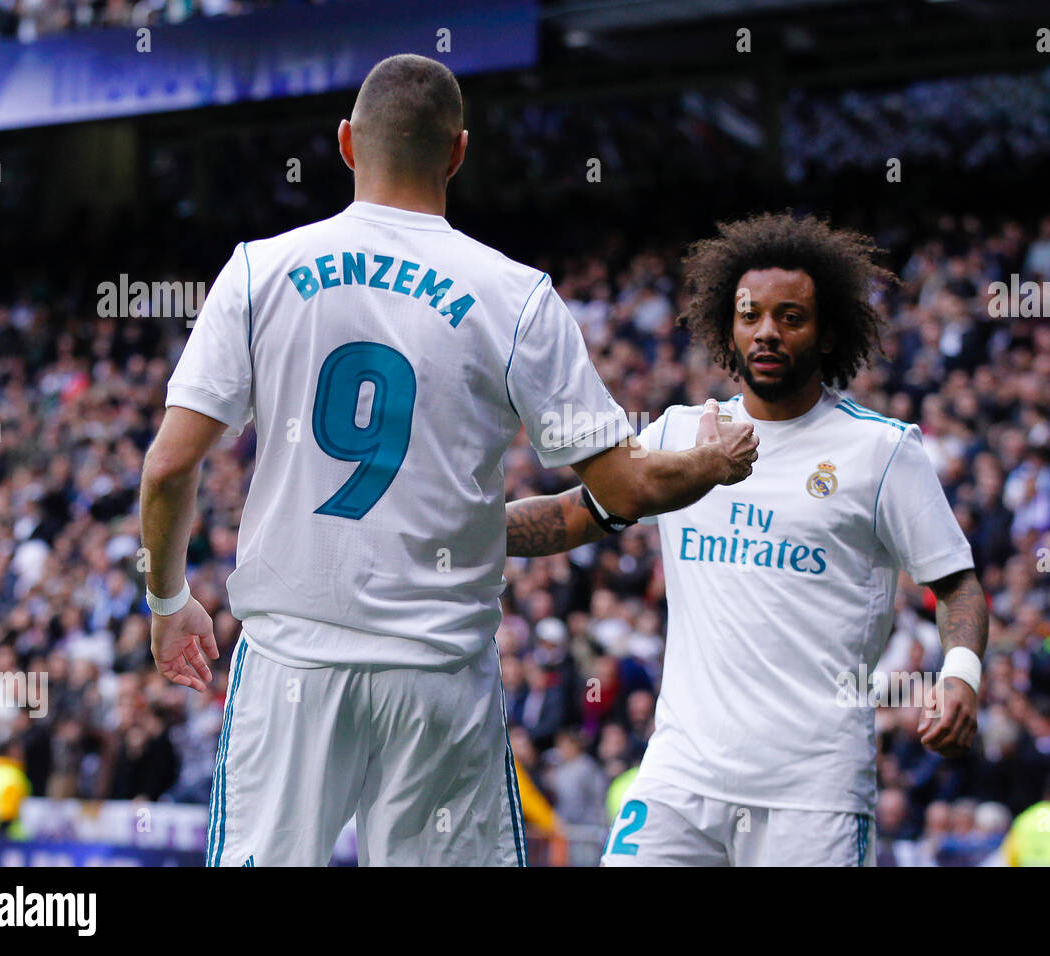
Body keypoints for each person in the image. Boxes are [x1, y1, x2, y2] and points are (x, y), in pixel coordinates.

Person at [139, 54, 758, 867]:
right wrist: (709, 460)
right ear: (458, 152)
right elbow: (625, 486)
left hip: (292, 665)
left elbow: (168, 469)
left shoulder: (261, 269)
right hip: (437, 672)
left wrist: (169, 599)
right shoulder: (515, 295)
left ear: (346, 145)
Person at [506, 212, 988, 865]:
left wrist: (960, 677)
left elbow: (956, 584)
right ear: (728, 328)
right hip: (680, 779)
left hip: (811, 795)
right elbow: (572, 516)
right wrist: (454, 531)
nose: (767, 330)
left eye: (791, 317)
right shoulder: (678, 436)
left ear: (826, 335)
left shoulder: (880, 451)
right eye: (750, 314)